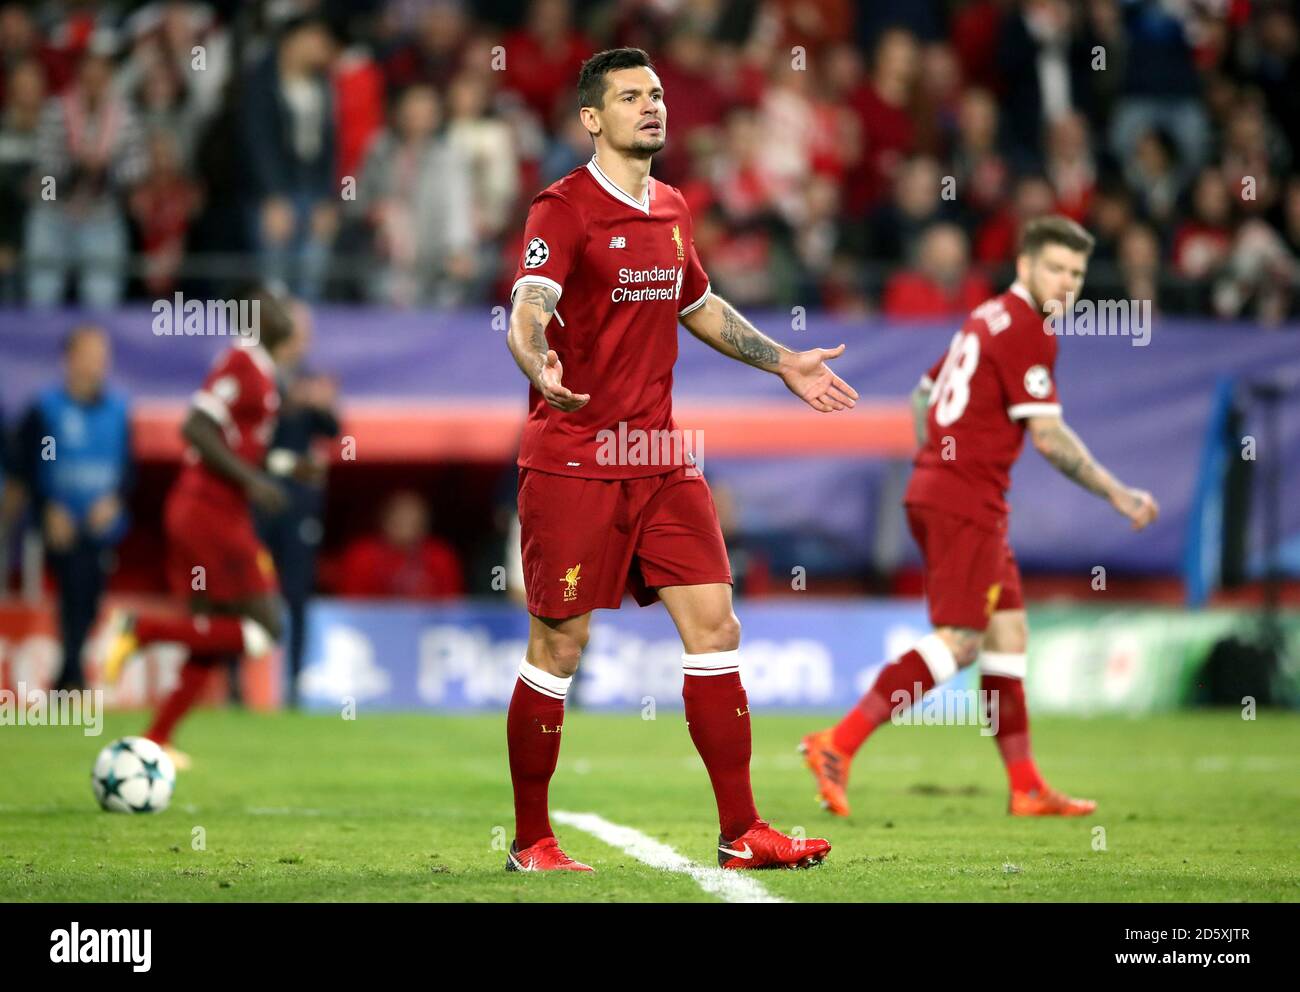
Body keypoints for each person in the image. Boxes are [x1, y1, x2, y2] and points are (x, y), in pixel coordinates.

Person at [503, 48, 858, 872]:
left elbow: (698, 305)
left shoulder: (672, 207)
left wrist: (785, 363)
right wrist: (536, 362)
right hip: (574, 459)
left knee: (716, 625)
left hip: (660, 457)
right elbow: (528, 307)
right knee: (558, 647)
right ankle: (531, 840)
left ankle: (743, 833)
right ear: (593, 119)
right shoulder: (562, 209)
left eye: (656, 94)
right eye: (630, 97)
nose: (651, 106)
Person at [801, 216, 1160, 818]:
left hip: (952, 493)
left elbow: (922, 392)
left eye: (1076, 273)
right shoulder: (1025, 328)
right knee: (963, 642)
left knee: (1008, 635)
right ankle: (837, 742)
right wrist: (1118, 494)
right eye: (1056, 268)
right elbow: (1048, 437)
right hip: (964, 500)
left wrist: (932, 460)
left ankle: (1025, 786)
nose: (1067, 283)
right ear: (1025, 265)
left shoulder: (986, 316)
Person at [101, 288, 295, 770]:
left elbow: (241, 446)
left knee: (213, 635)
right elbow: (195, 428)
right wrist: (254, 482)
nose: (281, 312)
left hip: (212, 509)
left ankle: (156, 738)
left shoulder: (265, 375)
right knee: (267, 625)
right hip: (209, 511)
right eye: (270, 304)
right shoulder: (241, 363)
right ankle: (143, 628)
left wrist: (289, 464)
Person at [13, 325, 130, 689]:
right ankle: (71, 674)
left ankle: (71, 672)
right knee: (74, 584)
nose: (99, 363)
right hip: (58, 521)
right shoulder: (47, 410)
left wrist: (114, 500)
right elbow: (28, 465)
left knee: (90, 591)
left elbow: (129, 469)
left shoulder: (117, 411)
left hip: (101, 522)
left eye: (103, 355)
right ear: (70, 359)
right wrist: (49, 506)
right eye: (91, 354)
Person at [254, 299, 337, 709]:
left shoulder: (308, 381)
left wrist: (319, 403)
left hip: (299, 506)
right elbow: (250, 441)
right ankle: (239, 687)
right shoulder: (258, 377)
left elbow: (333, 428)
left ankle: (294, 685)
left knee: (297, 593)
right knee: (249, 590)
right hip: (259, 499)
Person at [334, 489, 463, 600]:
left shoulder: (440, 556)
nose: (405, 525)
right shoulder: (362, 555)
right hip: (371, 625)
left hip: (427, 626)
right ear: (384, 519)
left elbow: (451, 606)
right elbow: (350, 606)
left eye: (413, 520)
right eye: (399, 518)